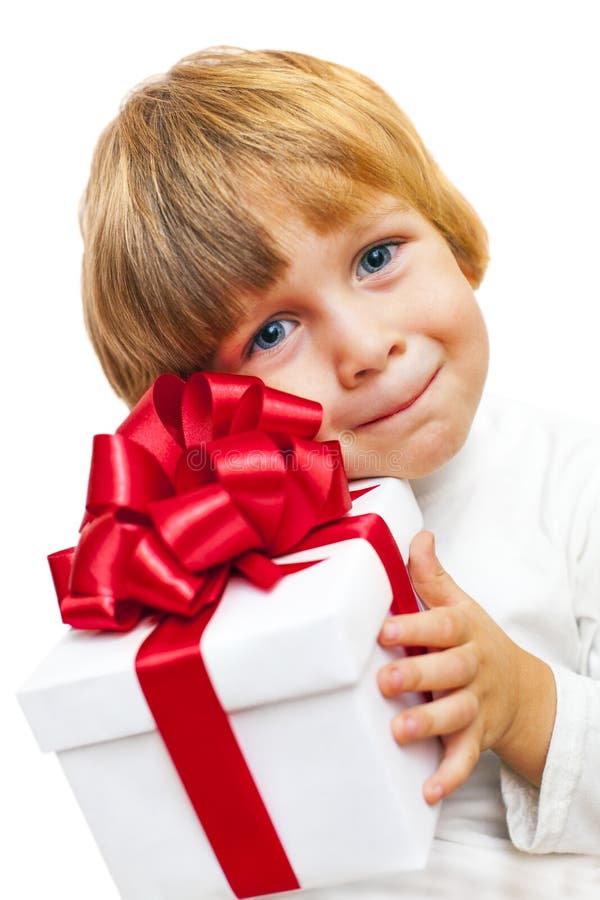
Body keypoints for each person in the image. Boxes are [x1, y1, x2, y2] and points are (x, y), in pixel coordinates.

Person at [80, 47, 600, 897]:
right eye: (273, 334)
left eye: (376, 257)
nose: (364, 348)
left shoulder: (576, 484)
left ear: (451, 234)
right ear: (196, 411)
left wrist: (524, 704)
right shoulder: (203, 556)